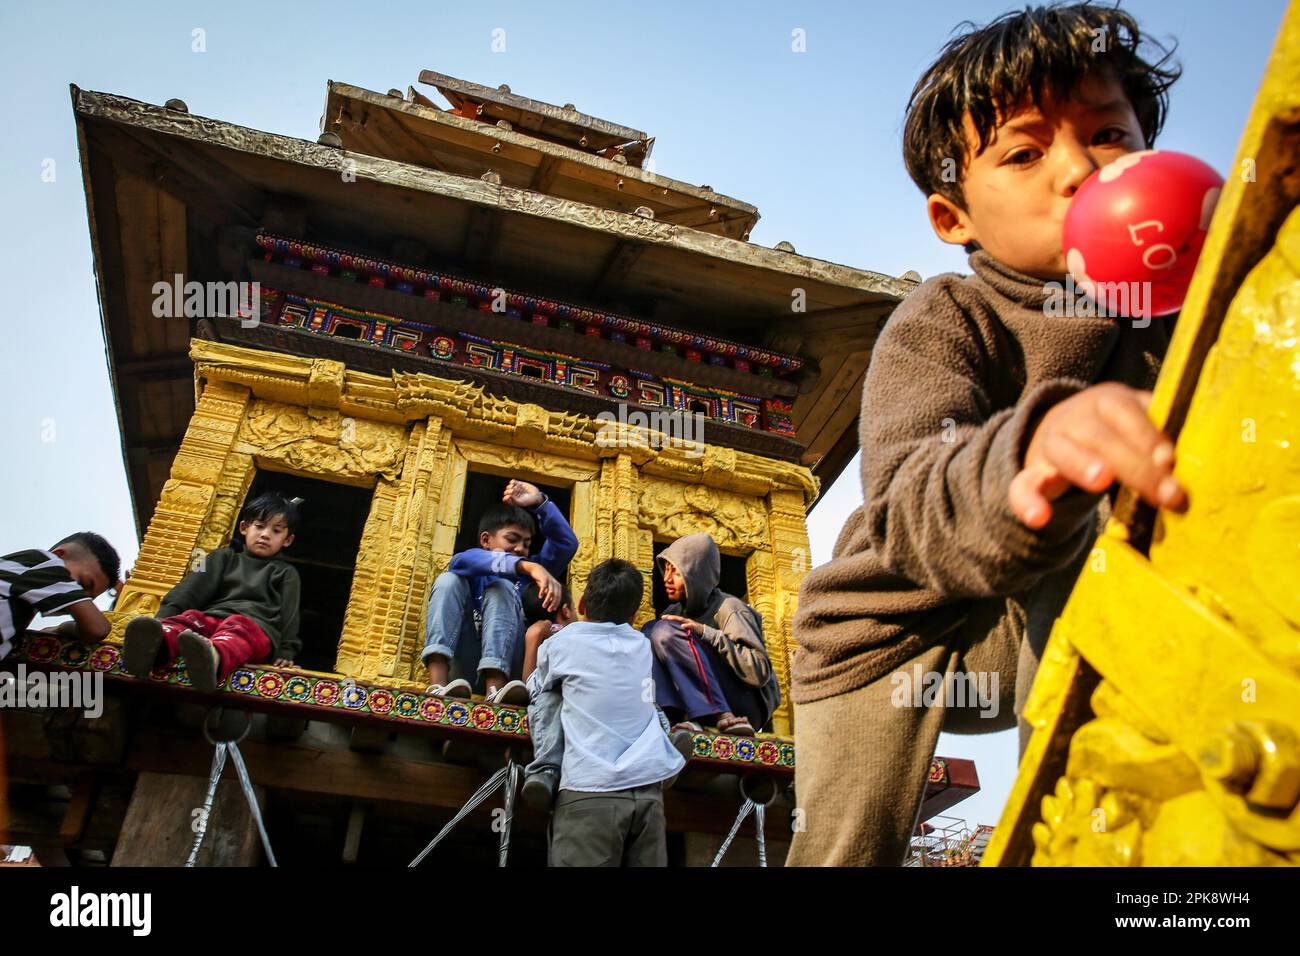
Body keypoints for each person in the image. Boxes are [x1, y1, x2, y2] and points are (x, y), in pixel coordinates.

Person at [787, 3, 1186, 866]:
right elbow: (905, 502)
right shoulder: (943, 317)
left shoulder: (1186, 319)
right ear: (952, 217)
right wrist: (1034, 454)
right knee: (845, 853)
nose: (1081, 171)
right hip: (893, 632)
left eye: (1110, 135)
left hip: (1060, 605)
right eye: (1025, 151)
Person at [522, 558, 685, 866]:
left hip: (590, 788)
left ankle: (545, 769)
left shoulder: (562, 641)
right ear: (635, 616)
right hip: (648, 792)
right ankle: (667, 746)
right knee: (647, 701)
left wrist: (533, 641)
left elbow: (533, 690)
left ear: (581, 604)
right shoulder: (641, 644)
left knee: (550, 696)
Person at [121, 493, 302, 692]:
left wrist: (286, 652)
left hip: (254, 630)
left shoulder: (286, 573)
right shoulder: (220, 558)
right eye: (259, 526)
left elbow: (289, 615)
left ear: (287, 540)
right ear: (244, 527)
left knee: (238, 628)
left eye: (276, 530)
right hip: (211, 622)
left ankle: (212, 658)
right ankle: (154, 647)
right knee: (191, 619)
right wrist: (161, 619)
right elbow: (189, 590)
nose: (265, 534)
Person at [422, 479, 577, 705]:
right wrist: (529, 566)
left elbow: (566, 544)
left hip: (510, 675)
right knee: (448, 580)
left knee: (502, 588)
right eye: (512, 540)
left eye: (526, 544)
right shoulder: (473, 565)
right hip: (462, 670)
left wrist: (540, 504)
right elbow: (461, 560)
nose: (520, 549)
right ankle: (437, 685)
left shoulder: (529, 575)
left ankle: (494, 688)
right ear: (486, 540)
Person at [642, 533, 780, 739]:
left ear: (696, 575)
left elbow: (759, 672)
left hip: (744, 703)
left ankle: (718, 713)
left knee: (664, 631)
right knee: (649, 631)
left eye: (676, 573)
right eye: (666, 570)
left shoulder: (730, 608)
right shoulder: (674, 610)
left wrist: (706, 633)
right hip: (698, 702)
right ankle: (671, 717)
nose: (667, 579)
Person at [1, 532, 122, 661]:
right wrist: (64, 627)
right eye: (82, 584)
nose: (81, 597)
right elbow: (98, 629)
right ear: (58, 555)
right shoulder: (45, 563)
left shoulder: (22, 602)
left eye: (89, 599)